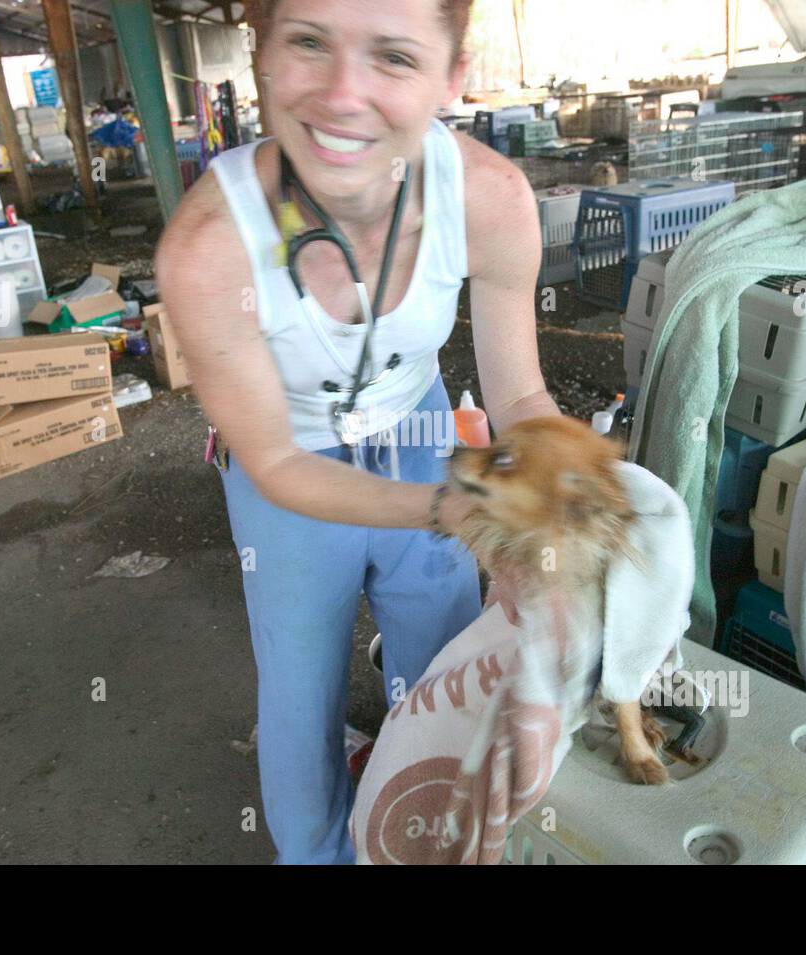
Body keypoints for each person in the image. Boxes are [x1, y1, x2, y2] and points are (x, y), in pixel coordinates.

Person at [154, 0, 558, 864]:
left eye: (395, 58)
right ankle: (318, 852)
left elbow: (519, 391)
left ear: (454, 75)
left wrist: (565, 492)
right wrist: (455, 512)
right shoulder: (209, 248)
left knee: (449, 663)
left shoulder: (488, 200)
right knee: (300, 694)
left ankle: (433, 833)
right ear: (260, 54)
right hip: (285, 468)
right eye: (308, 42)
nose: (344, 94)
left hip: (414, 423)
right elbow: (274, 460)